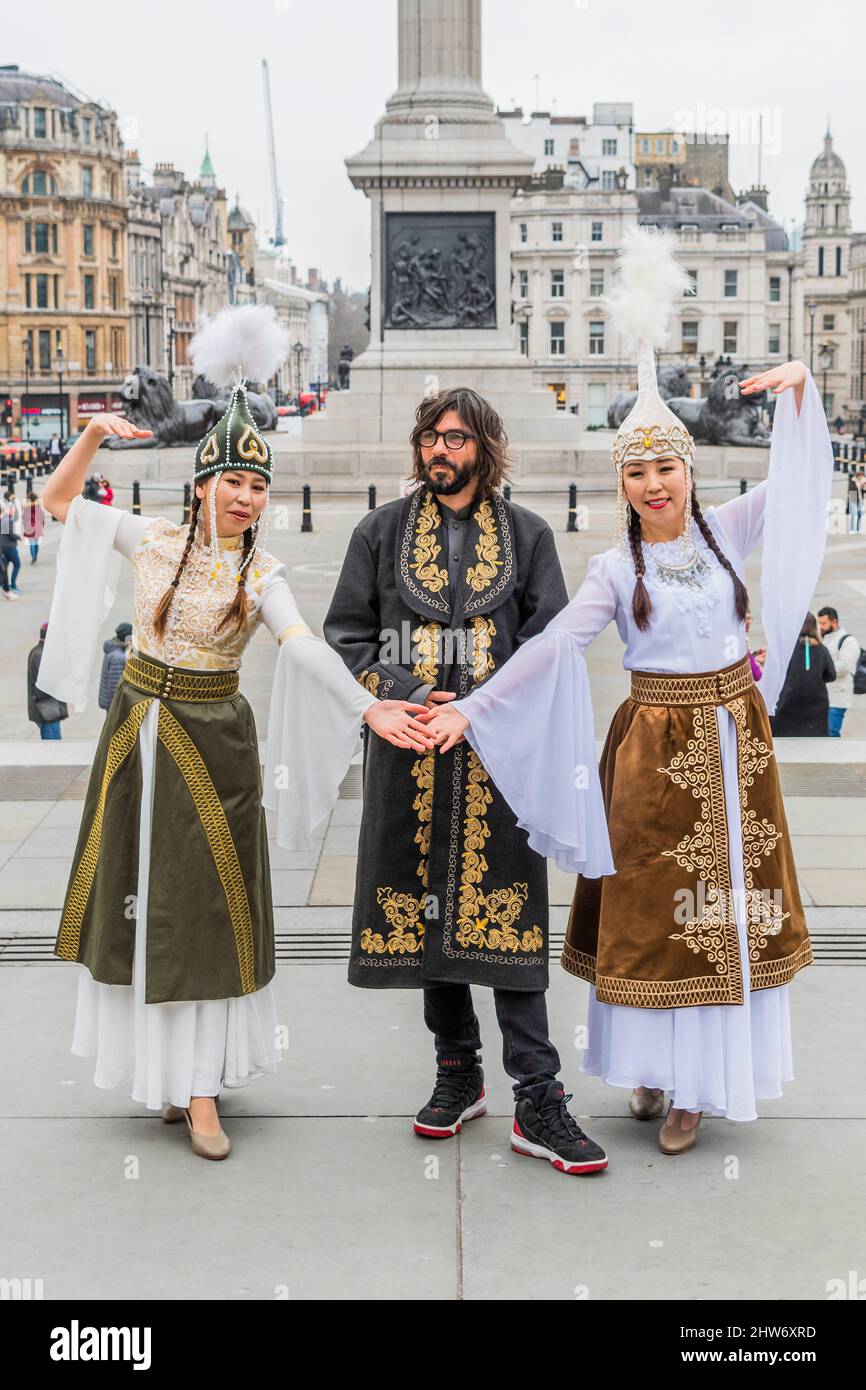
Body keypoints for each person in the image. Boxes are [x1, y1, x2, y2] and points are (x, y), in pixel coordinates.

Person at [422, 227, 834, 1156]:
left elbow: (805, 484)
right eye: (639, 471)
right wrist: (472, 706)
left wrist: (800, 395)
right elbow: (548, 647)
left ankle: (698, 1087)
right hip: (651, 752)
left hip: (735, 744)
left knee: (723, 908)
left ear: (690, 469)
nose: (655, 483)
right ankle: (652, 1069)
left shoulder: (728, 528)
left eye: (668, 466)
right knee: (654, 915)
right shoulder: (613, 568)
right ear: (625, 481)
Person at [37, 304, 430, 1163]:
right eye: (235, 482)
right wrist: (94, 436)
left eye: (260, 486)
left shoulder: (263, 570)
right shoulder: (152, 540)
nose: (249, 498)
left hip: (214, 747)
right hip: (137, 734)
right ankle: (163, 1078)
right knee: (143, 904)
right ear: (202, 482)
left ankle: (205, 1088)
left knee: (207, 908)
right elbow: (57, 501)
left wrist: (367, 707)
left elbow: (303, 646)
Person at [324, 386, 608, 1176]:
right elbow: (346, 636)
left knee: (507, 921)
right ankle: (458, 1070)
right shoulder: (379, 533)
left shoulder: (529, 536)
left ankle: (539, 1097)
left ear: (484, 446)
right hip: (410, 751)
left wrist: (484, 708)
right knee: (426, 918)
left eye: (454, 439)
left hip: (502, 762)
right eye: (429, 438)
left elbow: (552, 646)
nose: (438, 452)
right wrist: (408, 696)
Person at [767, 614, 835, 737]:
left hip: (789, 701)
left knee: (787, 742)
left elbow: (775, 673)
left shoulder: (787, 650)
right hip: (817, 702)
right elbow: (831, 675)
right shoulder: (821, 650)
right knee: (813, 744)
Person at [817, 606, 860, 736]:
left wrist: (820, 667)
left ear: (834, 621)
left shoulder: (848, 641)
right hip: (823, 696)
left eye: (824, 623)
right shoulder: (823, 638)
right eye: (819, 623)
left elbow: (845, 667)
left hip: (837, 698)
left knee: (831, 732)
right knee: (822, 733)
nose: (821, 626)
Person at [27, 622, 68, 738]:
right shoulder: (41, 654)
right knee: (53, 749)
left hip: (47, 709)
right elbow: (44, 686)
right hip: (46, 710)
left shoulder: (41, 652)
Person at [98, 621, 132, 711]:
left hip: (107, 701)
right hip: (113, 704)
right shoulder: (118, 657)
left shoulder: (112, 650)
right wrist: (119, 706)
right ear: (126, 638)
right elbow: (115, 687)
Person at [1, 492, 22, 598]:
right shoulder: (7, 520)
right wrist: (18, 537)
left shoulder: (4, 519)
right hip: (9, 546)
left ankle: (5, 584)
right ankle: (12, 585)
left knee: (4, 567)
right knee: (17, 564)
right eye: (12, 509)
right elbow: (10, 534)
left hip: (3, 546)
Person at [22, 489, 45, 563]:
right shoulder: (38, 507)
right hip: (38, 526)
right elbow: (42, 517)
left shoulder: (26, 508)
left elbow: (24, 518)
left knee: (31, 542)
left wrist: (25, 526)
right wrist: (42, 525)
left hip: (29, 526)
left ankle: (33, 556)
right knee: (36, 542)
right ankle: (35, 555)